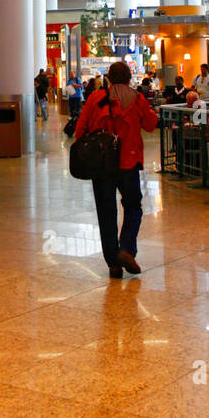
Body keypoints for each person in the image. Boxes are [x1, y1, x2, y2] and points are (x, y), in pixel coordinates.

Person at [74, 60, 158, 279]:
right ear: (130, 78)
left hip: (102, 165)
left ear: (109, 78)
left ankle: (113, 262)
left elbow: (80, 129)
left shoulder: (95, 98)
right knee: (133, 206)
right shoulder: (137, 98)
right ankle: (127, 249)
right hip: (128, 162)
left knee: (106, 211)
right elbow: (150, 124)